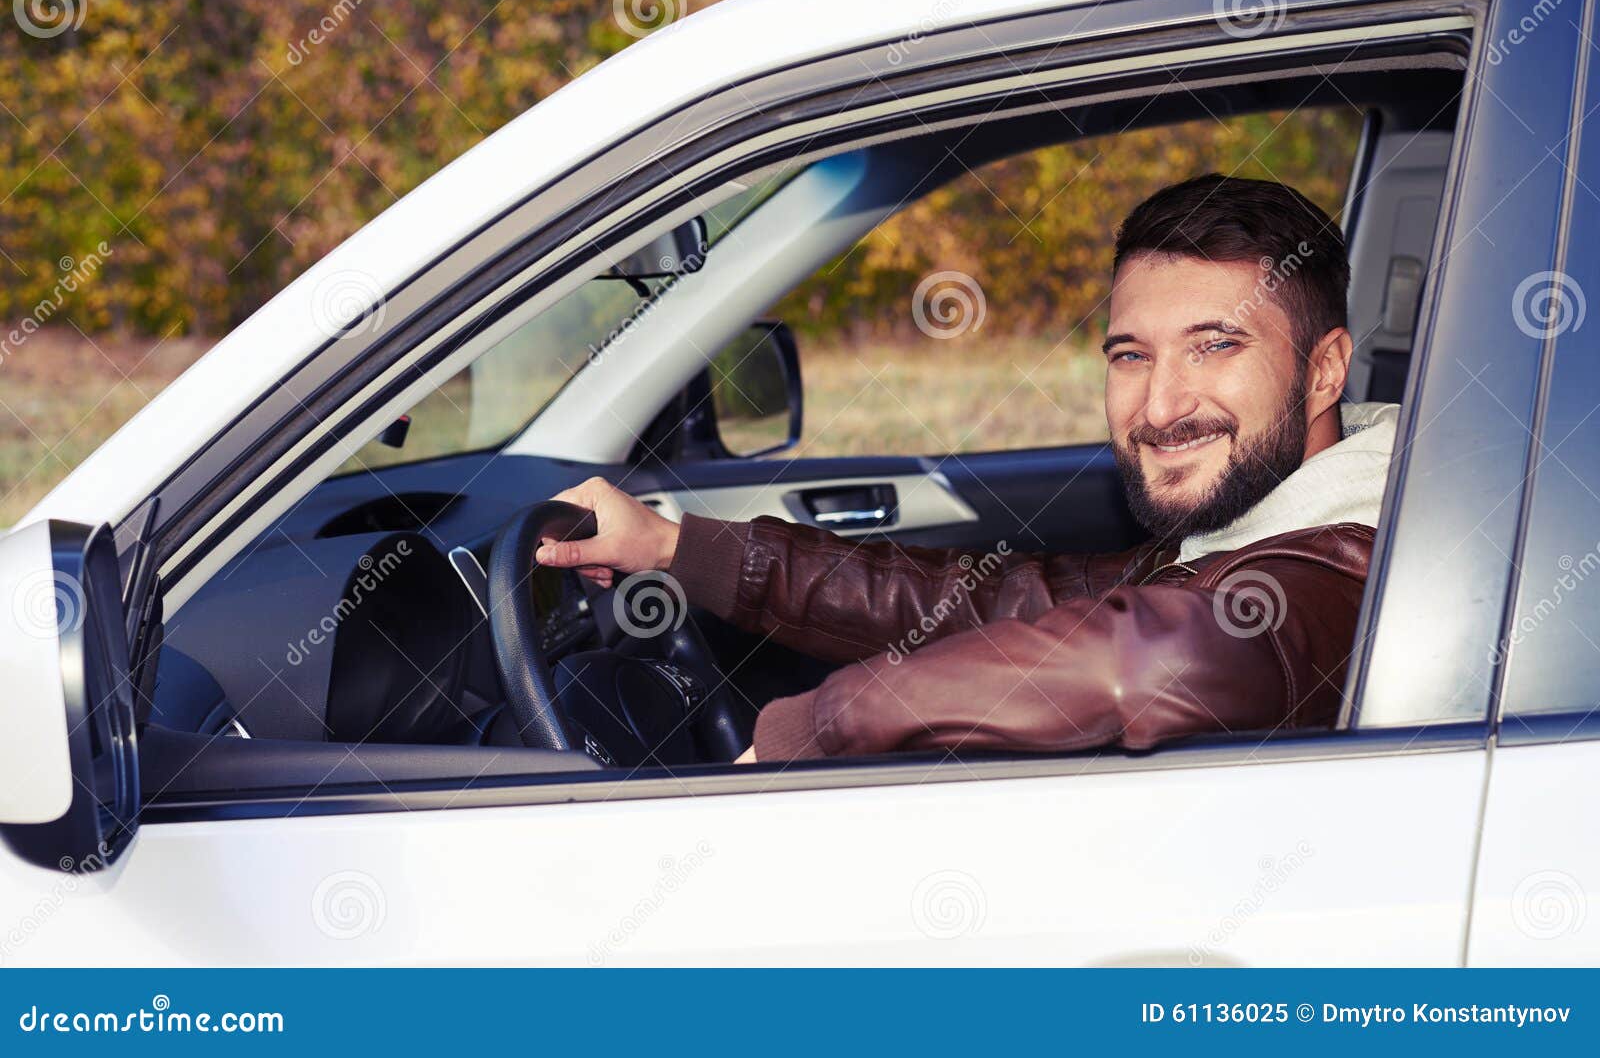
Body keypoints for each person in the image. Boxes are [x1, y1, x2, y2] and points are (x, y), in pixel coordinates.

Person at [536, 174, 1398, 763]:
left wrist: (820, 727)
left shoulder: (1348, 560)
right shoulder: (1255, 523)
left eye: (1216, 346)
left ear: (1325, 370)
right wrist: (672, 546)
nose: (1163, 406)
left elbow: (1154, 660)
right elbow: (988, 604)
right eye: (1131, 356)